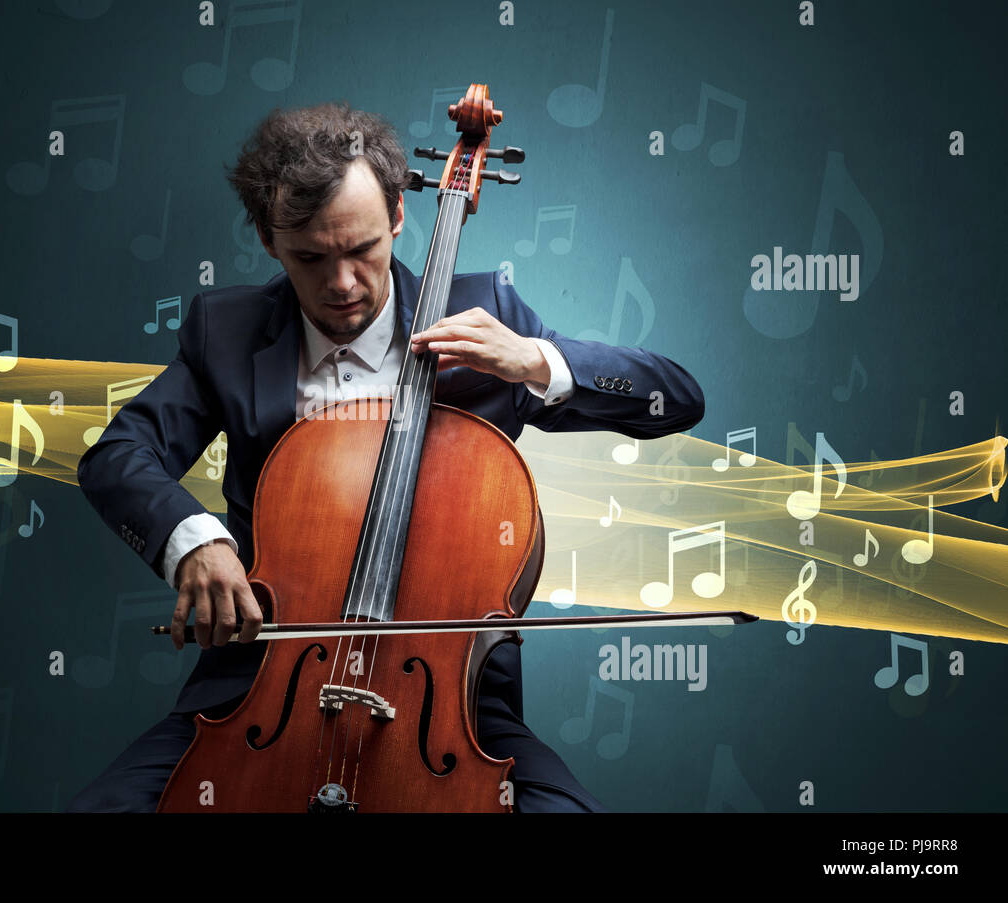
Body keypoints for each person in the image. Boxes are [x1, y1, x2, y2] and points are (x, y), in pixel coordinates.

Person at [69, 102, 705, 812]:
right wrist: (193, 543)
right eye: (311, 256)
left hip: (447, 705)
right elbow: (116, 454)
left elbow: (673, 399)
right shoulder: (228, 329)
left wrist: (534, 360)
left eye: (362, 249)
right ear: (267, 238)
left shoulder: (484, 316)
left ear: (400, 215)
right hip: (259, 690)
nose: (342, 283)